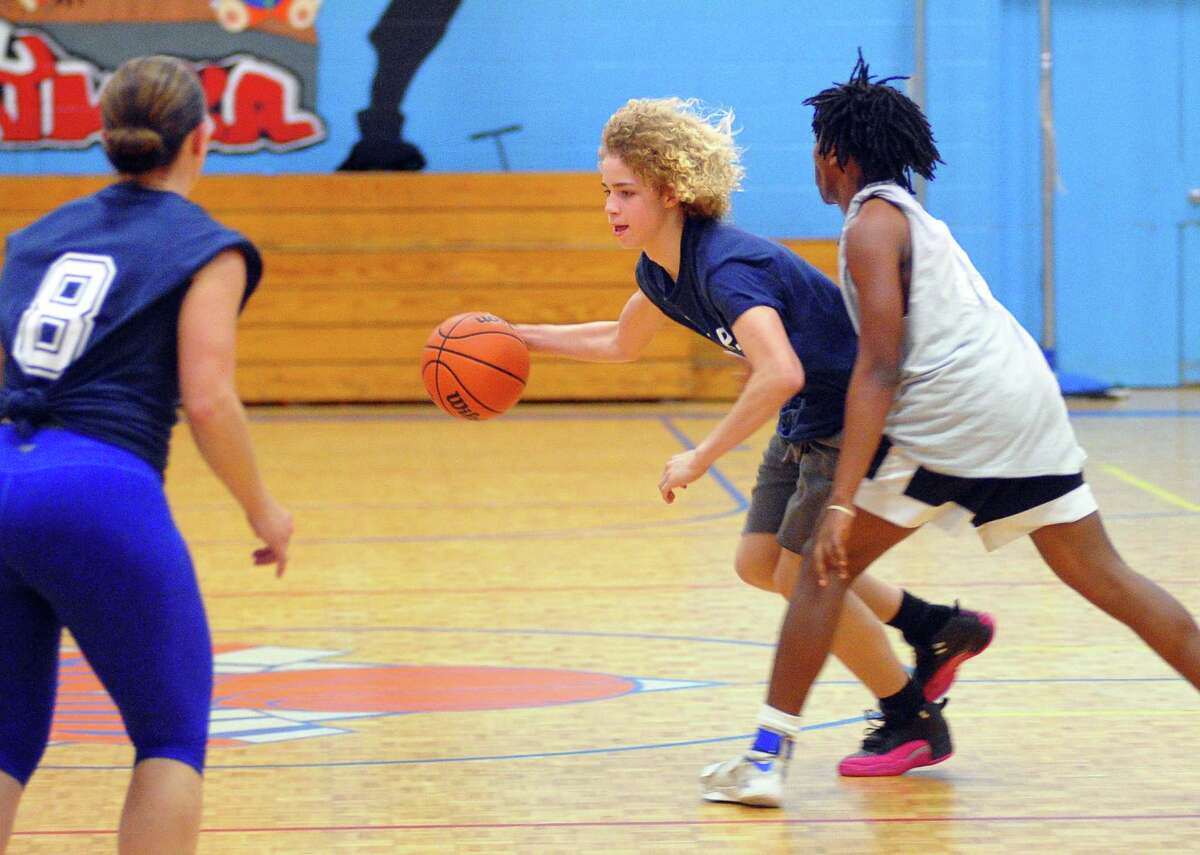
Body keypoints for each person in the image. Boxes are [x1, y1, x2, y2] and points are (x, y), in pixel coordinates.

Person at [701, 52, 1200, 808]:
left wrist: (840, 500)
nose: (814, 165)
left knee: (818, 570)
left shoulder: (871, 225)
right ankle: (915, 659)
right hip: (1026, 405)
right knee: (1109, 578)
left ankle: (765, 759)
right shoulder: (911, 218)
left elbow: (879, 367)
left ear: (836, 155)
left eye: (816, 151)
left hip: (959, 413)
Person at [514, 97, 994, 783]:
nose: (611, 207)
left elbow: (779, 370)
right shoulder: (660, 266)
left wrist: (700, 456)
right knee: (758, 561)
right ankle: (934, 626)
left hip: (852, 417)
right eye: (606, 192)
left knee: (802, 576)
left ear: (671, 191)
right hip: (807, 414)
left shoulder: (724, 265)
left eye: (626, 193)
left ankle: (911, 714)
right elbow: (621, 341)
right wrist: (517, 337)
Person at [0, 56, 293, 854]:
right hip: (99, 487)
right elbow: (209, 398)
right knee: (169, 735)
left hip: (5, 470)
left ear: (104, 136)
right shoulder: (207, 245)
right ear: (201, 139)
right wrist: (263, 509)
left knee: (6, 738)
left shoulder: (31, 238)